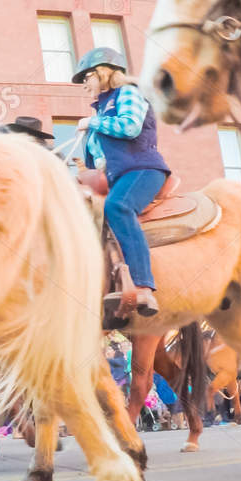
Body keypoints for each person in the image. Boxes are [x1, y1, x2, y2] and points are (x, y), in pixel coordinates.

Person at [74, 46, 170, 316]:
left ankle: (143, 287)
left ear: (102, 72)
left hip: (143, 169)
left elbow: (130, 126)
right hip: (119, 176)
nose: (84, 85)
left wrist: (93, 123)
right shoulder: (103, 106)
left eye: (86, 77)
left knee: (118, 207)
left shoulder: (128, 92)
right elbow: (98, 159)